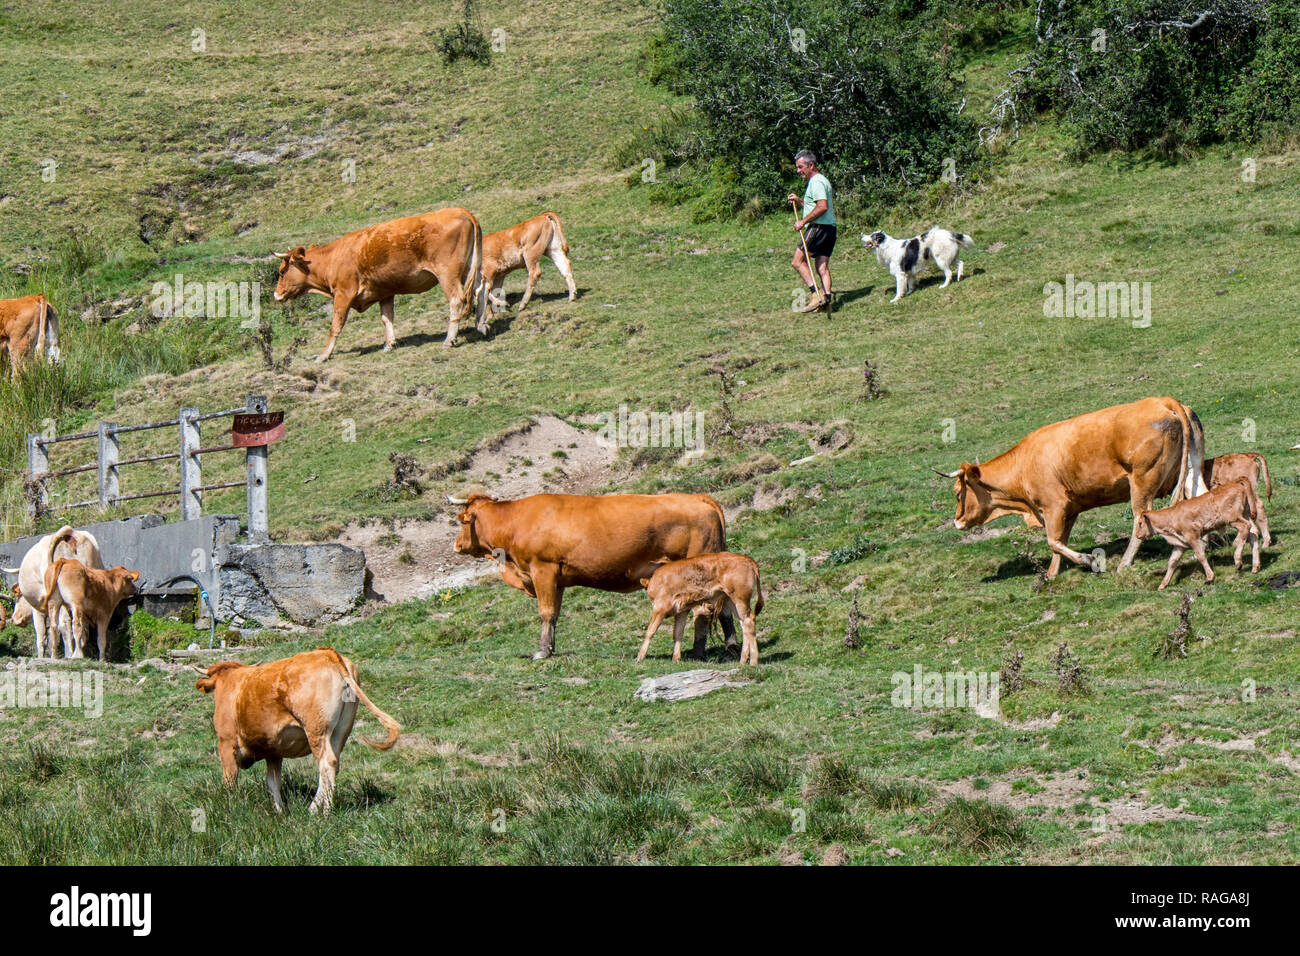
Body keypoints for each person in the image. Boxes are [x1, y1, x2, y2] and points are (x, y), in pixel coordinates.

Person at [787, 149, 835, 313]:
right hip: (829, 228)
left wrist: (803, 221)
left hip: (818, 227)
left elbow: (822, 207)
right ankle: (826, 303)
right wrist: (799, 200)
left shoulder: (817, 182)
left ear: (811, 165)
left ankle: (816, 295)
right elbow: (812, 207)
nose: (798, 171)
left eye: (801, 167)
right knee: (821, 268)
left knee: (797, 261)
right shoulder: (820, 181)